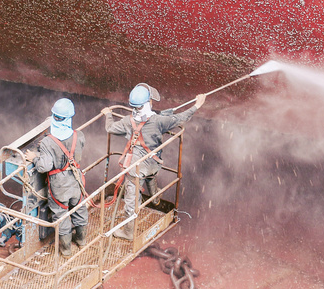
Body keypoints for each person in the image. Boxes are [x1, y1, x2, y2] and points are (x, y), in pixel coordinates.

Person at [102, 84, 206, 239]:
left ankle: (129, 232)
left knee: (132, 202)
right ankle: (155, 198)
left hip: (135, 170)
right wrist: (198, 104)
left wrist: (108, 114)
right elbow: (181, 119)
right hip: (154, 164)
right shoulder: (159, 121)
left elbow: (110, 128)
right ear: (148, 102)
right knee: (150, 176)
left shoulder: (127, 121)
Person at [25, 98, 87, 256]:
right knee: (79, 210)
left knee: (61, 216)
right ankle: (81, 241)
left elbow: (44, 166)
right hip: (76, 182)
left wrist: (34, 157)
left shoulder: (47, 142)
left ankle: (66, 250)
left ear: (54, 117)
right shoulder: (78, 135)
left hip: (59, 187)